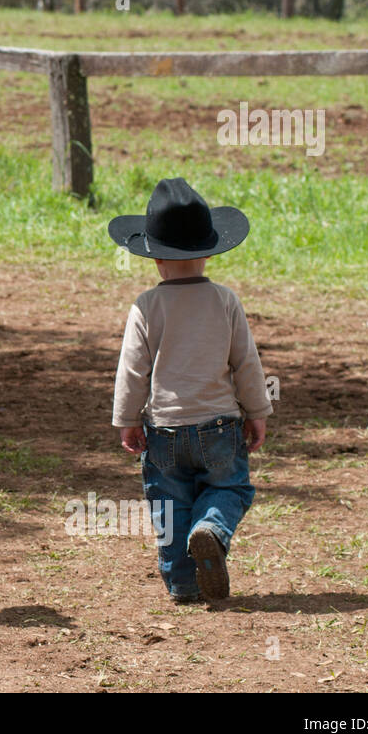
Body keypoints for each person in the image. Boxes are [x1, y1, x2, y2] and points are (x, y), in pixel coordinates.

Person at [109, 178, 272, 603]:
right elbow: (246, 363)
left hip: (163, 430)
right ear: (210, 251)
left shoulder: (146, 305)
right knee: (230, 489)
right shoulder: (225, 300)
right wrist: (257, 411)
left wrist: (127, 420)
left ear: (156, 257)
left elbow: (132, 370)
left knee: (169, 505)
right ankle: (213, 528)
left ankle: (183, 584)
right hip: (219, 425)